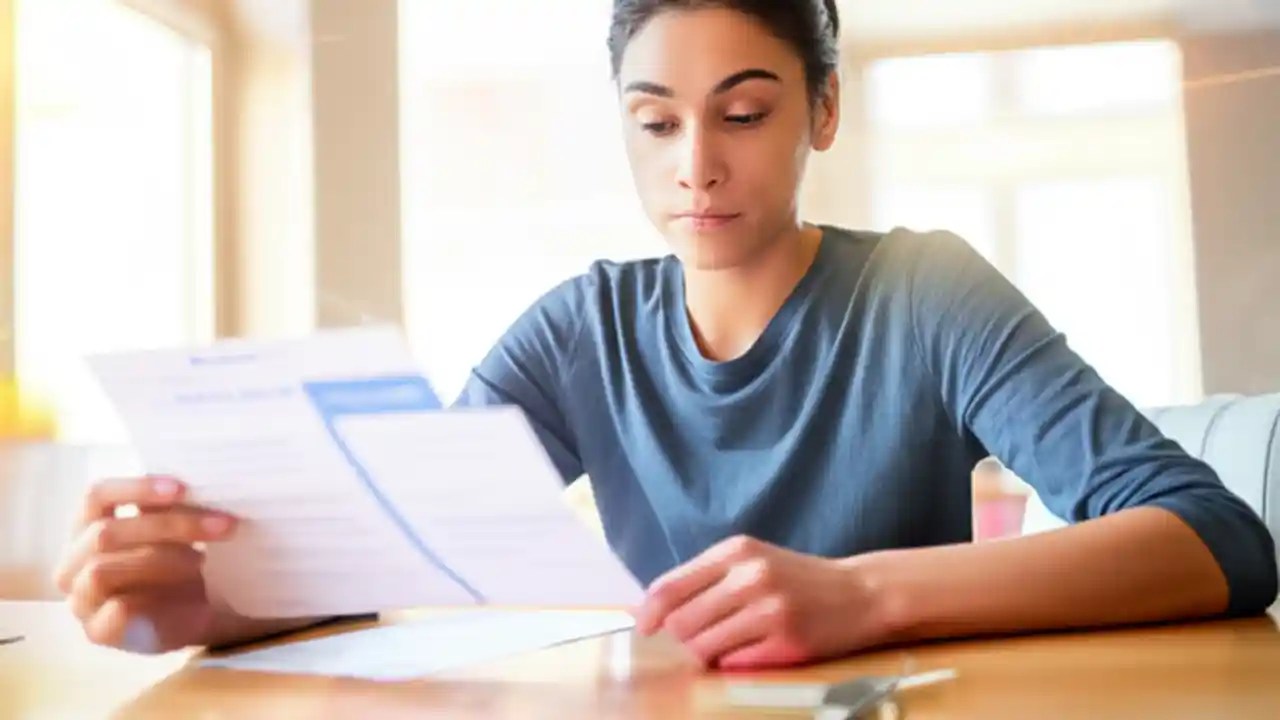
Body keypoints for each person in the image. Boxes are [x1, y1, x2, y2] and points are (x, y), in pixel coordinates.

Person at [55, 0, 1276, 671]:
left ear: (823, 110)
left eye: (743, 112)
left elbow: (1218, 538)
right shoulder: (578, 330)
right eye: (655, 123)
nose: (695, 165)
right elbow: (403, 554)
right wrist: (207, 602)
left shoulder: (925, 293)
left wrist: (861, 596)